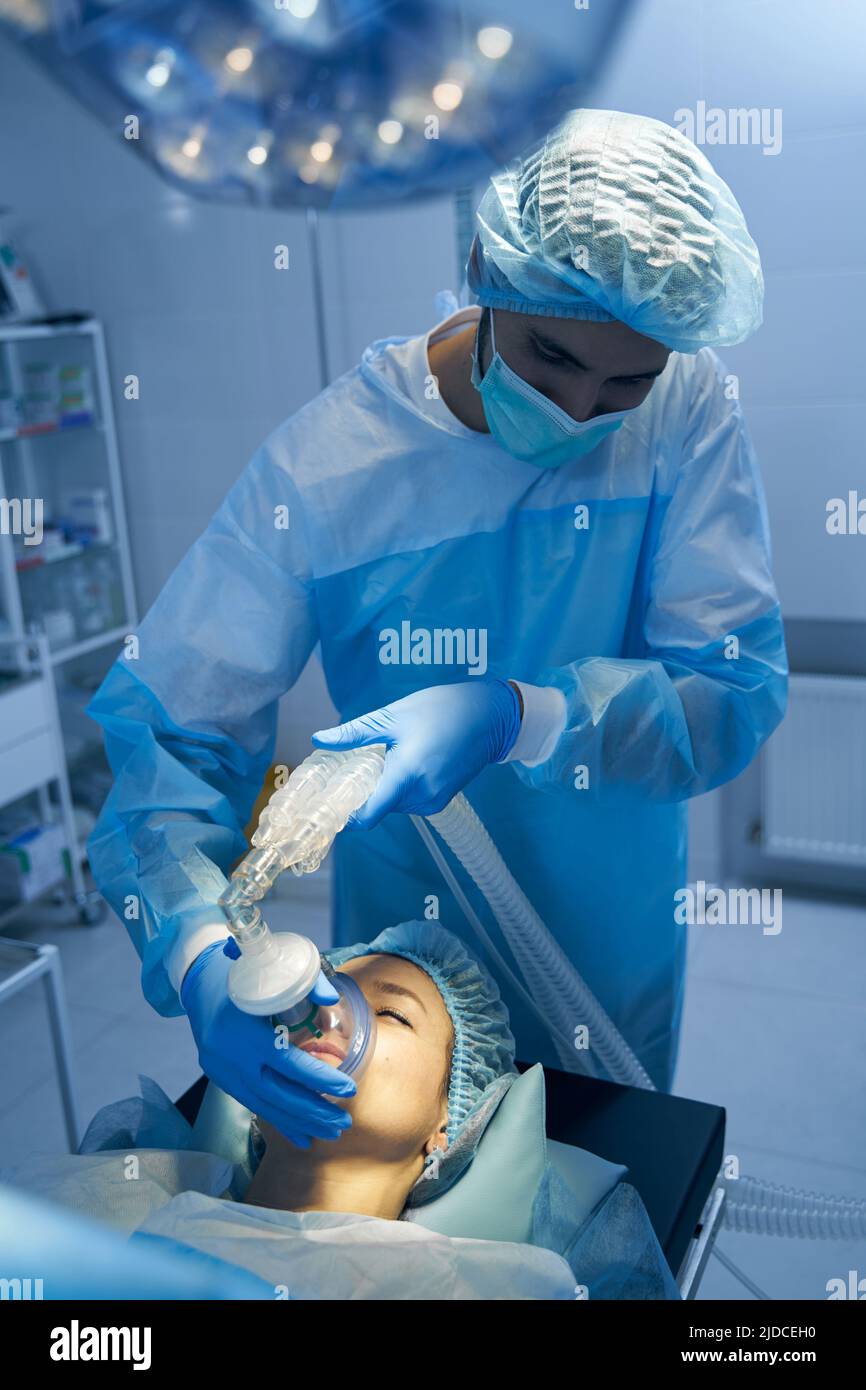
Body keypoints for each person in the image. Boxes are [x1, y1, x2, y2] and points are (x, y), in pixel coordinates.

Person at [86, 109, 788, 1140]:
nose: (582, 410)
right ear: (480, 273)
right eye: (550, 358)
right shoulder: (330, 468)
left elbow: (728, 689)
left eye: (621, 383)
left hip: (608, 920)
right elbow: (173, 738)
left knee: (598, 1178)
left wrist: (521, 715)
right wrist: (197, 956)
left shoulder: (682, 410)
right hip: (409, 931)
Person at [1, 924, 678, 1299]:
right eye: (319, 1001)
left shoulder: (490, 1290)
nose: (334, 1018)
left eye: (390, 1013)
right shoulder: (102, 1204)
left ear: (450, 1122)